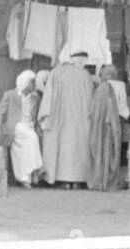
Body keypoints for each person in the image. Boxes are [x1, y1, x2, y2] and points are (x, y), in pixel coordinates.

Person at [39, 51, 96, 188]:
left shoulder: (56, 73)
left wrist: (44, 116)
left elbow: (48, 99)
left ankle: (62, 181)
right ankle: (77, 181)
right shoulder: (85, 75)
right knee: (78, 149)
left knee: (61, 147)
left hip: (60, 120)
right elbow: (91, 100)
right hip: (80, 121)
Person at [0, 69, 43, 187]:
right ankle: (36, 170)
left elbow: (37, 115)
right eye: (32, 82)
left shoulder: (36, 97)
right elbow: (0, 112)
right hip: (16, 126)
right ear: (25, 82)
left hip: (30, 126)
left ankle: (26, 177)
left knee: (27, 147)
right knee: (32, 138)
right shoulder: (11, 95)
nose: (34, 84)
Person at [87, 70, 123, 191]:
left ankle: (98, 181)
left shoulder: (98, 90)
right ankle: (105, 182)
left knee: (98, 156)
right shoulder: (108, 90)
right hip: (107, 129)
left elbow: (92, 111)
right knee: (107, 156)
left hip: (97, 128)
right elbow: (112, 112)